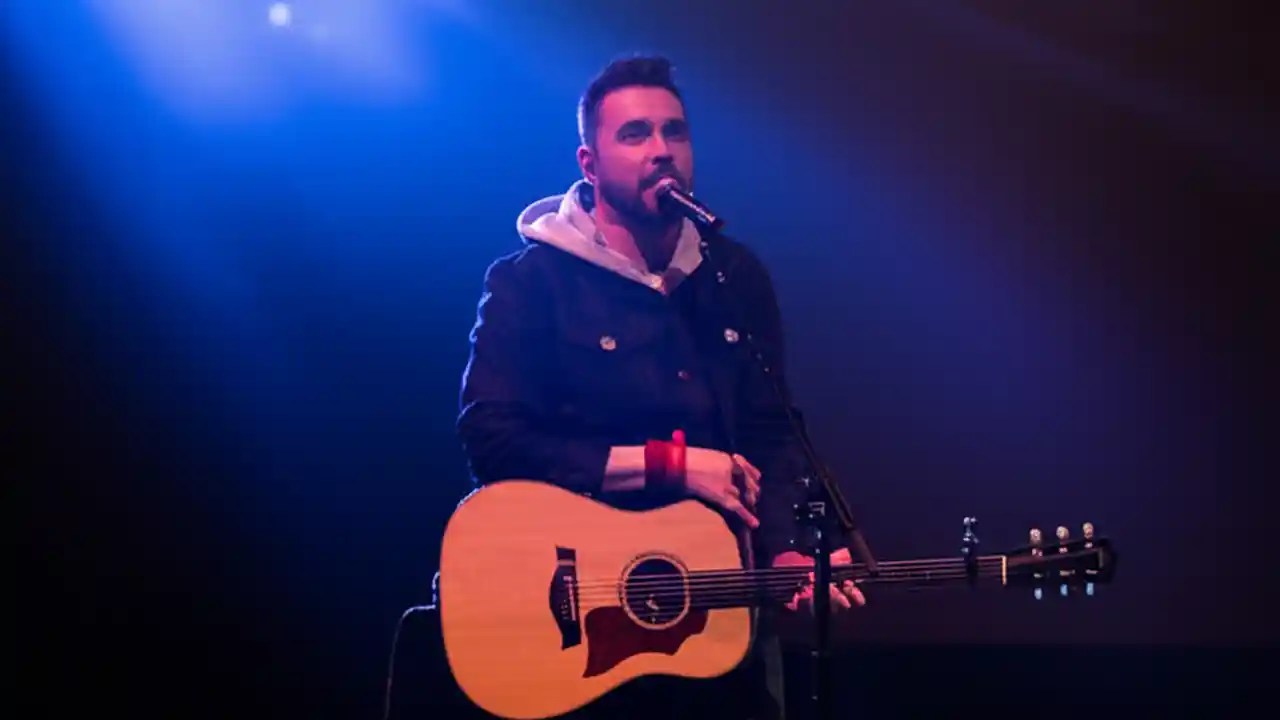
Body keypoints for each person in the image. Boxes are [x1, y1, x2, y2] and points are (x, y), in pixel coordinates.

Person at [454, 54, 865, 719]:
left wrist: (786, 545)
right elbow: (491, 438)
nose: (662, 152)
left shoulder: (732, 275)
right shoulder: (531, 282)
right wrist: (670, 467)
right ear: (589, 164)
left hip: (709, 615)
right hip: (571, 619)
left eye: (675, 132)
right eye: (636, 135)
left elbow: (772, 429)